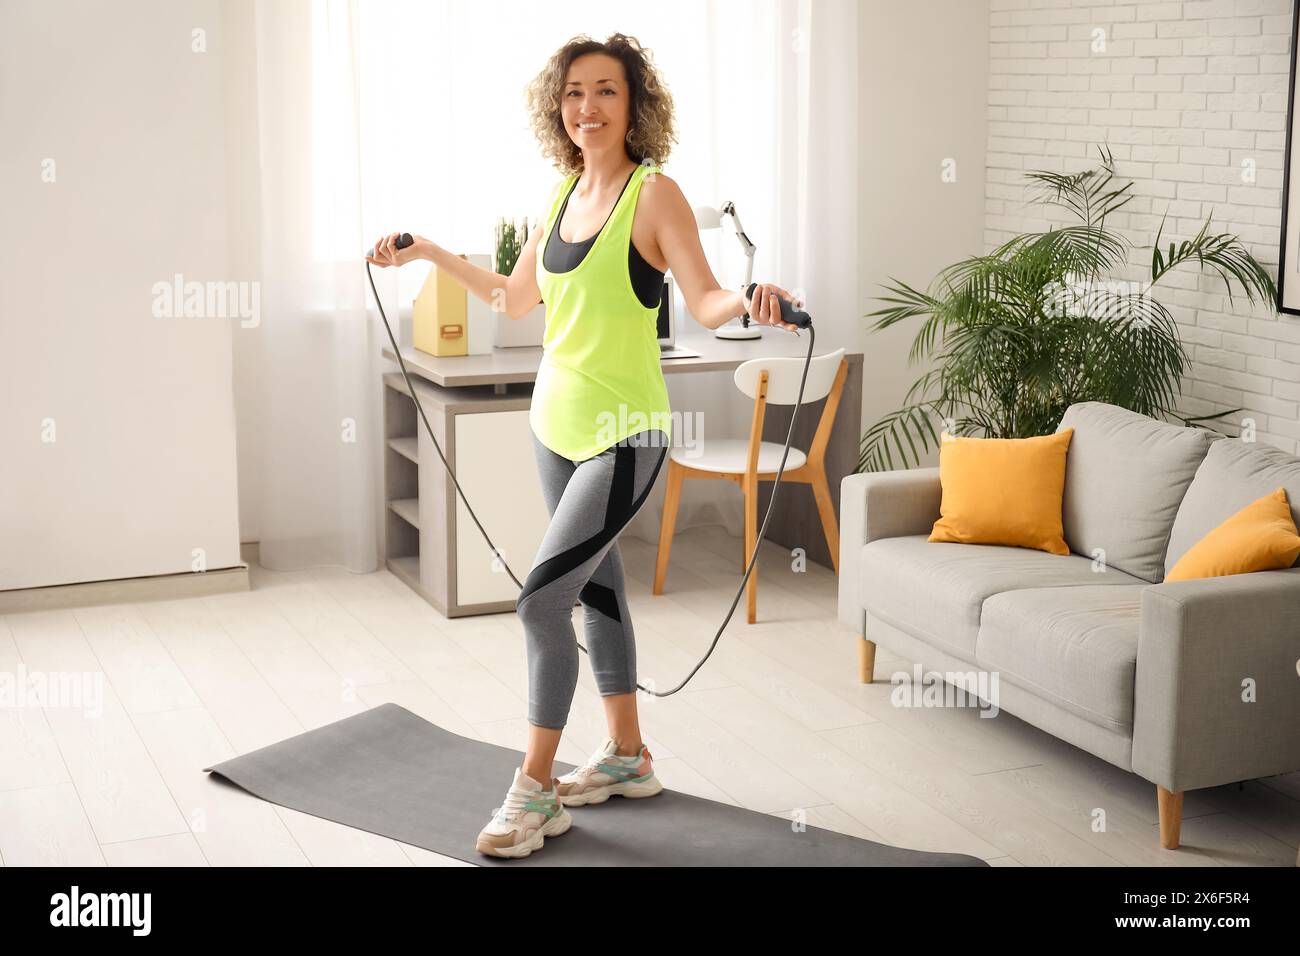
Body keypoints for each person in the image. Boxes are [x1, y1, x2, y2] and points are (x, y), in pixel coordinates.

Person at [368, 31, 801, 860]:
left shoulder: (655, 195)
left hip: (625, 434)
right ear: (556, 107)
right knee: (597, 594)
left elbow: (705, 298)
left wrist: (751, 299)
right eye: (573, 93)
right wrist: (425, 250)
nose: (587, 107)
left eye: (605, 90)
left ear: (634, 103)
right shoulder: (561, 195)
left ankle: (533, 791)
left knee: (540, 602)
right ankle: (629, 756)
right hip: (555, 430)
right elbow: (513, 296)